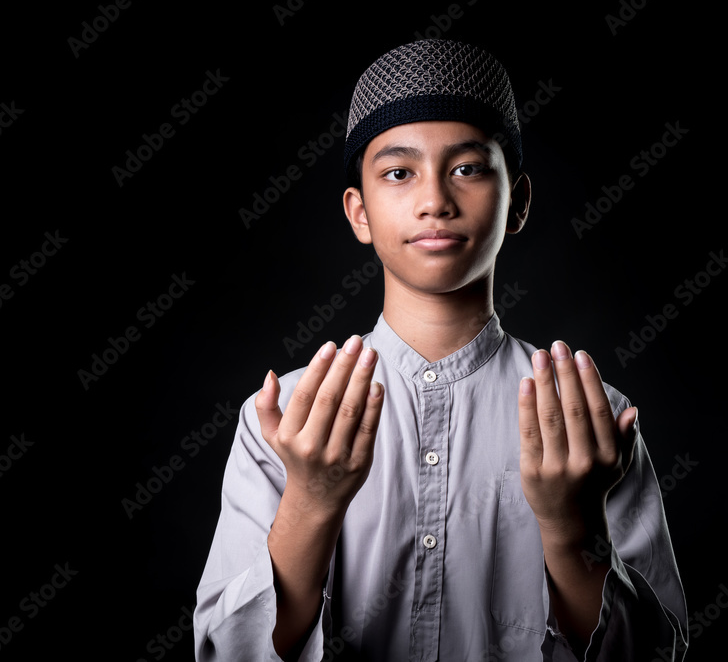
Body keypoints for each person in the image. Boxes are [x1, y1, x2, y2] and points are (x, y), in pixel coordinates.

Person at [193, 39, 688, 661]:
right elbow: (225, 656)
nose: (435, 200)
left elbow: (657, 657)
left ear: (519, 202)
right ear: (359, 212)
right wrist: (311, 504)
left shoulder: (589, 422)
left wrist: (570, 529)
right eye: (399, 173)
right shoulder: (286, 419)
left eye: (469, 168)